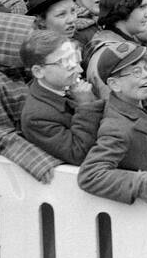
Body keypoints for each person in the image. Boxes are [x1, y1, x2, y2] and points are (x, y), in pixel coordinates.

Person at [77, 42, 147, 205]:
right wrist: (139, 184)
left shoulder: (144, 101)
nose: (146, 75)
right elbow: (90, 175)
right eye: (136, 72)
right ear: (114, 84)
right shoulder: (116, 126)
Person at [19, 30, 105, 165]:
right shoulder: (36, 117)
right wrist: (86, 107)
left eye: (76, 60)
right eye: (66, 63)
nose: (80, 70)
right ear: (39, 71)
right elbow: (78, 154)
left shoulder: (67, 85)